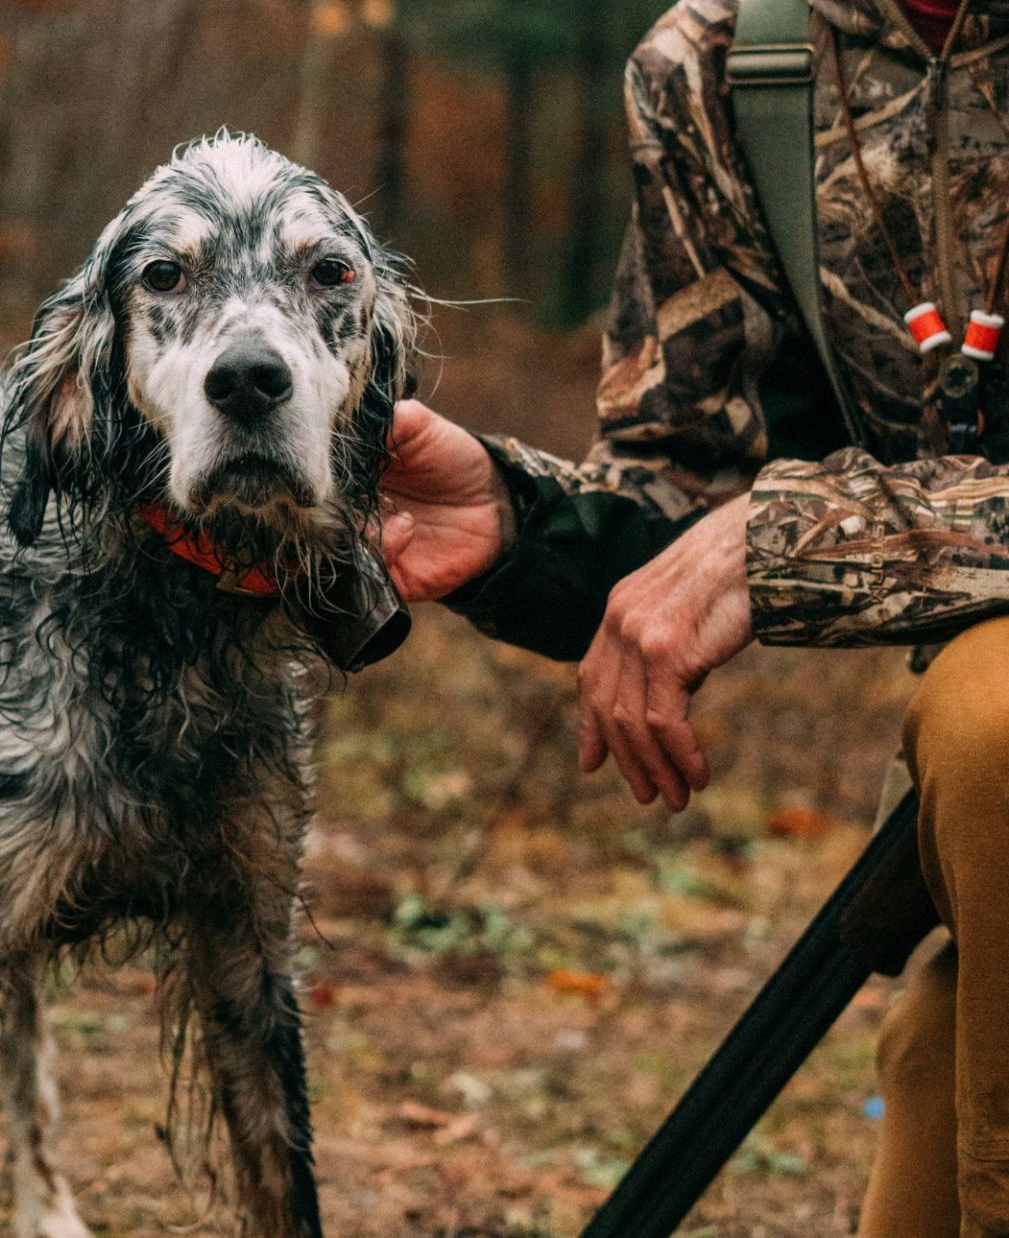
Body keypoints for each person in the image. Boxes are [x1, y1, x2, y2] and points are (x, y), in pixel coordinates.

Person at [376, 1, 1009, 1233]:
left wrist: (780, 537)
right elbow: (686, 482)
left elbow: (752, 535)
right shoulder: (730, 68)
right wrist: (512, 523)